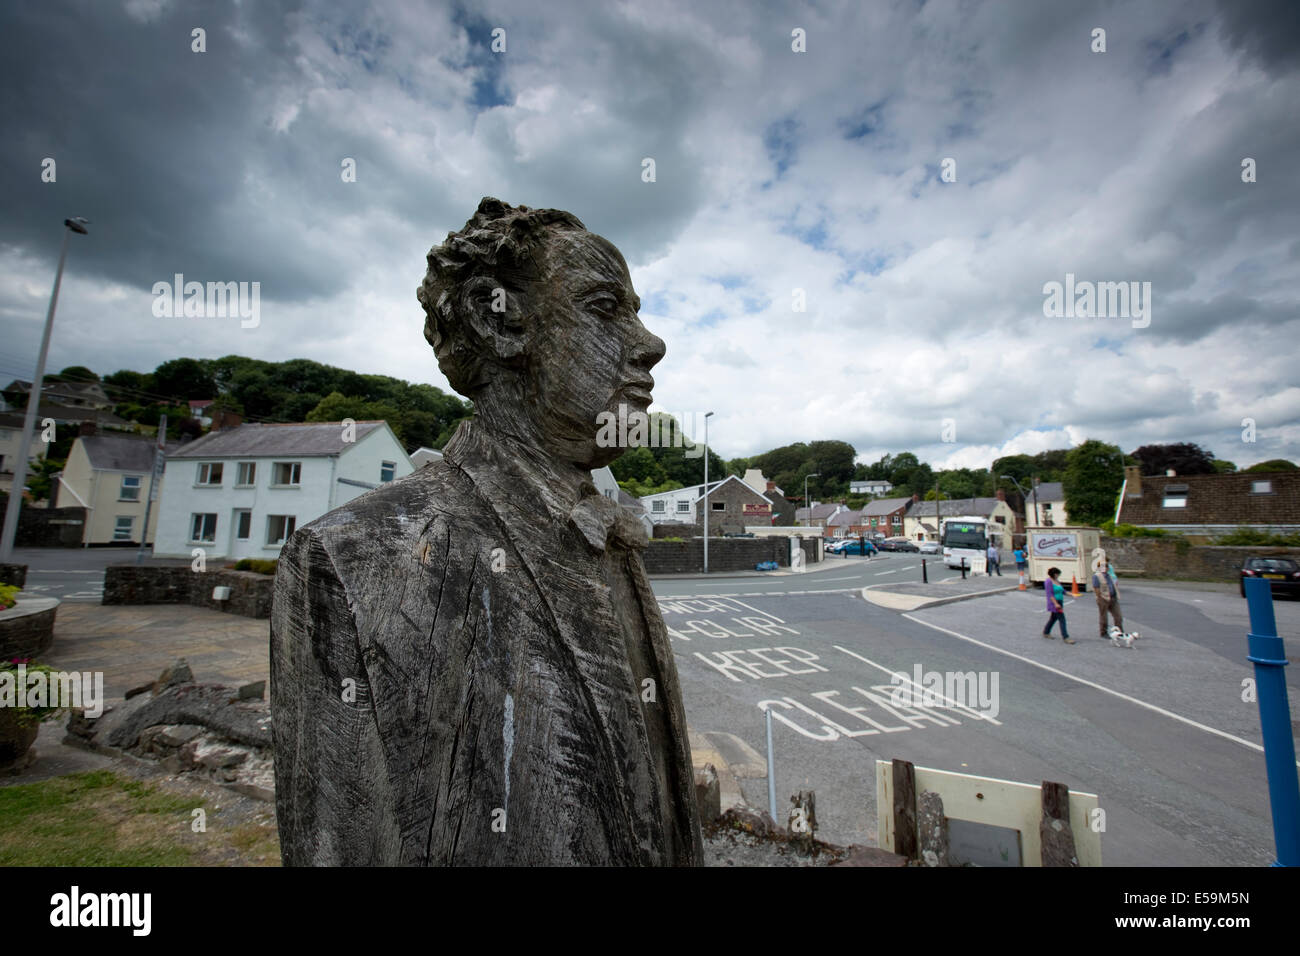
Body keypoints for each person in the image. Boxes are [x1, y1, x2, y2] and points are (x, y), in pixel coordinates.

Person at [271, 198, 702, 866]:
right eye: (605, 307)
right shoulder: (353, 555)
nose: (651, 342)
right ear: (494, 319)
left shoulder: (611, 535)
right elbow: (338, 840)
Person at [1092, 554, 1125, 640]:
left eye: (1107, 567)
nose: (1106, 568)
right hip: (1103, 598)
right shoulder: (1096, 576)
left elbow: (1113, 585)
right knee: (1104, 616)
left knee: (1118, 616)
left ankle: (1120, 632)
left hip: (1113, 598)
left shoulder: (1109, 575)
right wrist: (1100, 597)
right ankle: (1103, 632)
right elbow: (1096, 588)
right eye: (1104, 567)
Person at [1043, 566, 1074, 642]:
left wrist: (1071, 594)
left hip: (1059, 601)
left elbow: (1062, 591)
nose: (1058, 576)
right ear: (1054, 574)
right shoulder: (1048, 582)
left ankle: (1046, 631)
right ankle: (1065, 637)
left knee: (1053, 618)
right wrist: (1056, 604)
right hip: (1055, 603)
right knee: (1062, 619)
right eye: (1057, 574)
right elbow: (1050, 594)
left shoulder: (1056, 581)